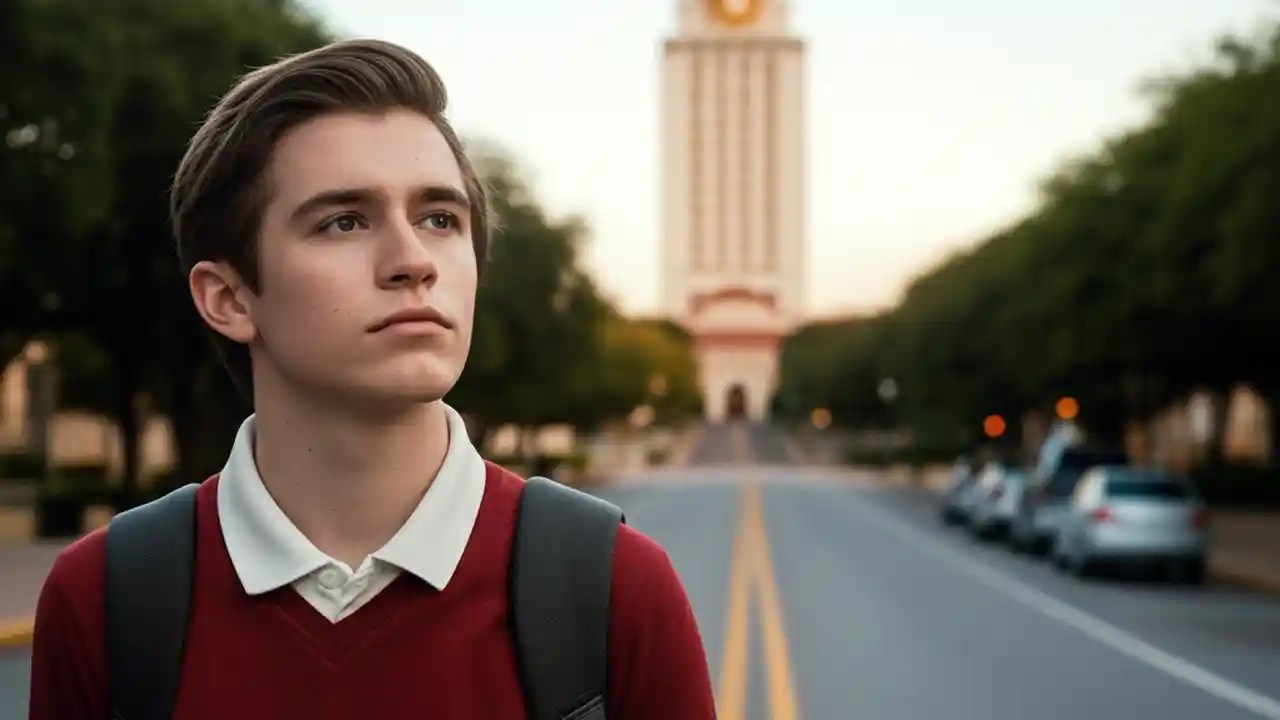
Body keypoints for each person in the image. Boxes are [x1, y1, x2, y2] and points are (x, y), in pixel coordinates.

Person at [28, 38, 716, 719]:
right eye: (345, 221)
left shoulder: (611, 586)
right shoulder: (107, 599)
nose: (413, 260)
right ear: (228, 298)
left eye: (440, 218)